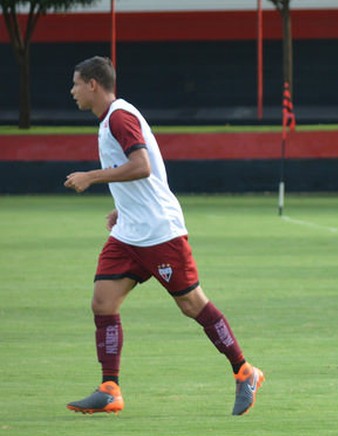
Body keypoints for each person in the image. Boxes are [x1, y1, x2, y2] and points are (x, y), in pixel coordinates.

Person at [63, 56, 264, 415]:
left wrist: (91, 177)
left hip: (159, 232)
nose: (72, 90)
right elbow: (138, 171)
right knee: (103, 302)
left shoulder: (120, 117)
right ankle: (110, 389)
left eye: (76, 83)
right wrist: (123, 208)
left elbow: (142, 166)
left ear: (93, 84)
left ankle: (244, 371)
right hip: (130, 232)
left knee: (192, 304)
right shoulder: (111, 119)